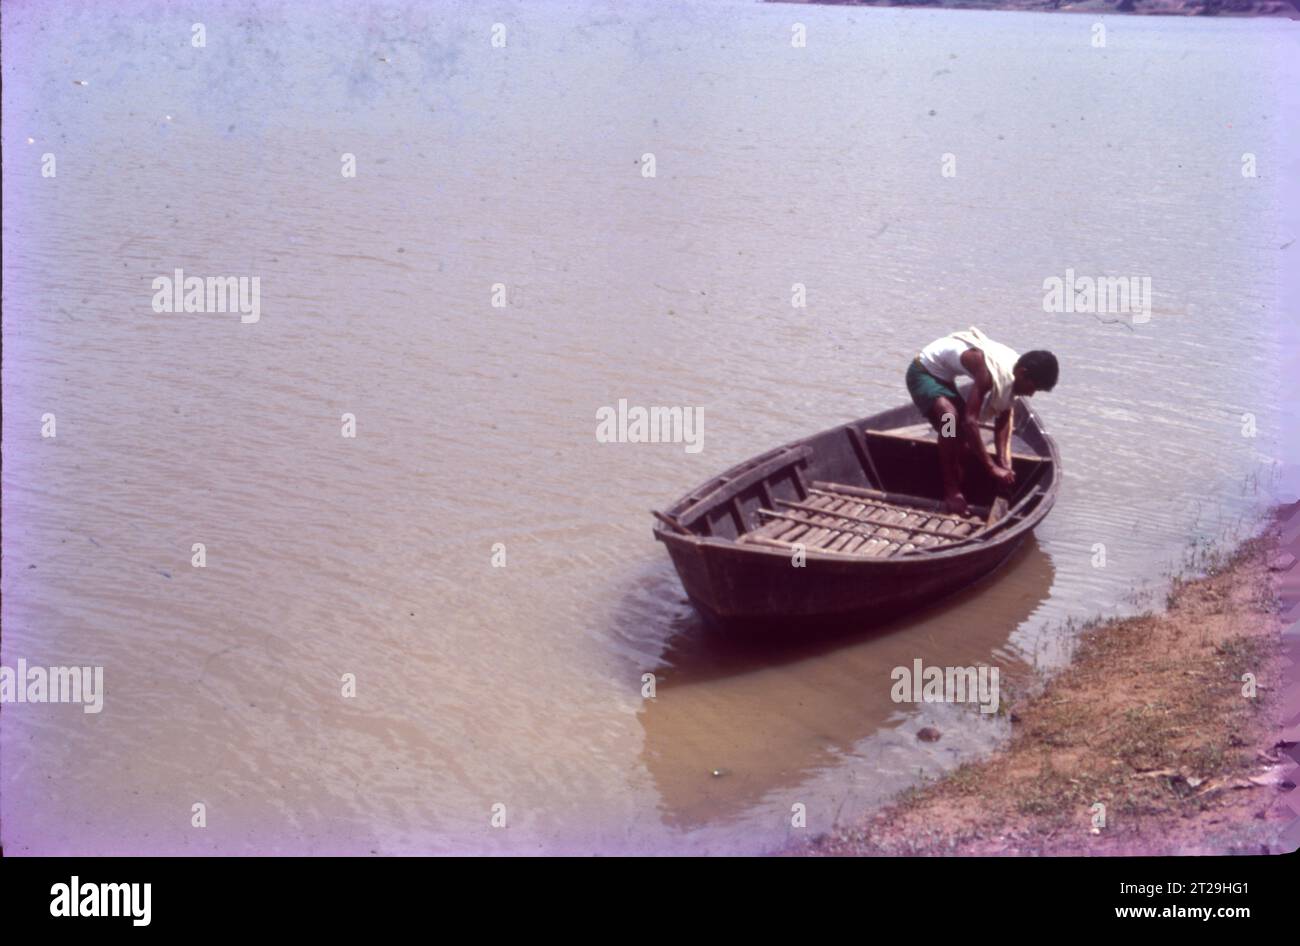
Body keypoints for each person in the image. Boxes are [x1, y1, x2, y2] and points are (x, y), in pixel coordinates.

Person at [905, 327, 1058, 516]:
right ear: (1022, 372)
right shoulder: (987, 371)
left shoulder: (1013, 370)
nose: (1031, 394)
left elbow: (1003, 417)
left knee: (960, 438)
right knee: (949, 420)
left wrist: (1003, 461)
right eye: (1032, 387)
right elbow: (971, 421)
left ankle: (955, 476)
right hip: (923, 372)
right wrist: (992, 468)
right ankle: (951, 491)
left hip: (945, 378)